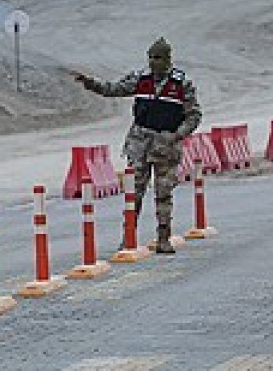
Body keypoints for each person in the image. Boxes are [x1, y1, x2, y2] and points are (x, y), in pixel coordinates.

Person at [70, 37, 202, 254]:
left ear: (167, 59)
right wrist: (90, 83)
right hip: (140, 143)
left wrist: (177, 135)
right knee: (134, 193)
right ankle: (128, 237)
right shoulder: (141, 79)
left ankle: (163, 237)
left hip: (165, 146)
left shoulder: (181, 84)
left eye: (157, 58)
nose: (153, 62)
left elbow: (194, 115)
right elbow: (113, 89)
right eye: (150, 57)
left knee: (164, 192)